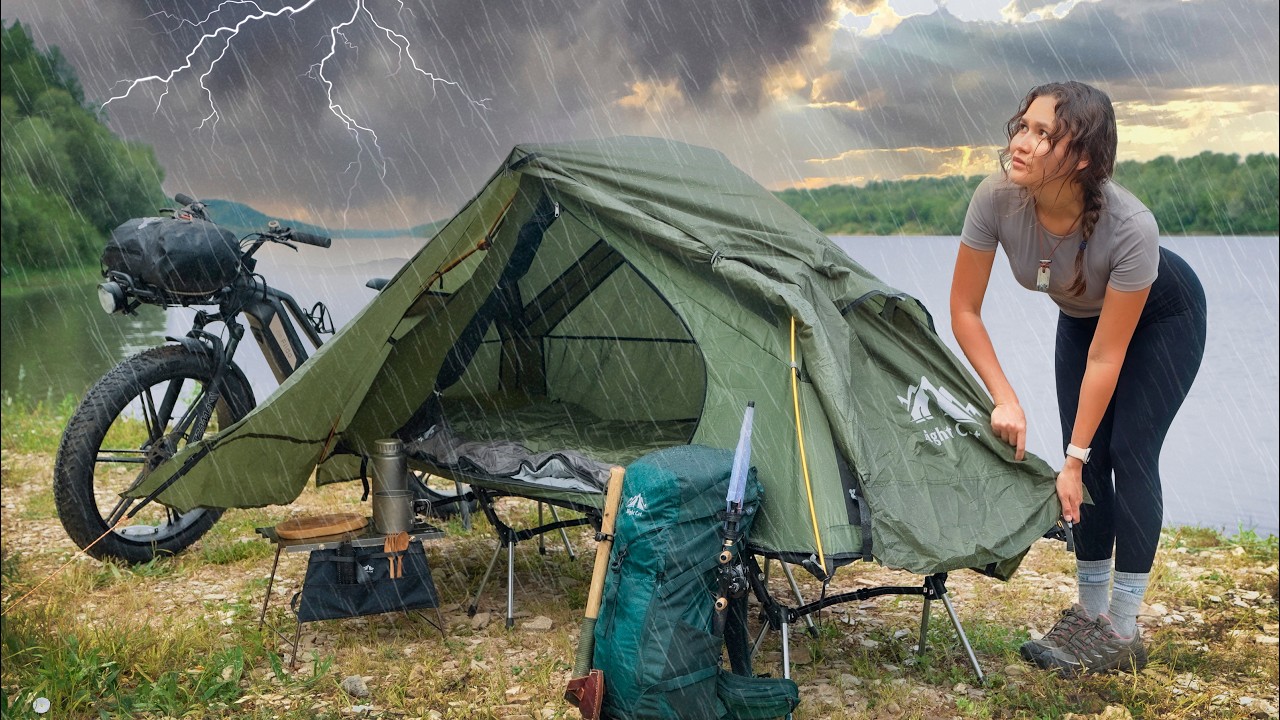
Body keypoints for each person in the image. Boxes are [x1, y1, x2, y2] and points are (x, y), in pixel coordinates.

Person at [950, 81, 1207, 675]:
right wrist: (1005, 398)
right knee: (1085, 464)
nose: (1023, 142)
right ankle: (1090, 618)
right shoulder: (995, 198)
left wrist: (1073, 455)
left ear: (1083, 156)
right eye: (1023, 126)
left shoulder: (1131, 227)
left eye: (1045, 135)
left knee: (1127, 451)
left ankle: (1123, 628)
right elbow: (964, 309)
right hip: (1081, 320)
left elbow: (1107, 358)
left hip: (1162, 319)